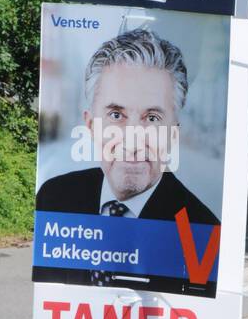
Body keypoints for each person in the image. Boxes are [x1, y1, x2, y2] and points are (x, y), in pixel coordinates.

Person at [34, 27, 219, 291]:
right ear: (90, 125)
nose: (132, 140)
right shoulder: (54, 198)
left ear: (173, 135)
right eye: (116, 115)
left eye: (152, 118)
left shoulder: (203, 231)